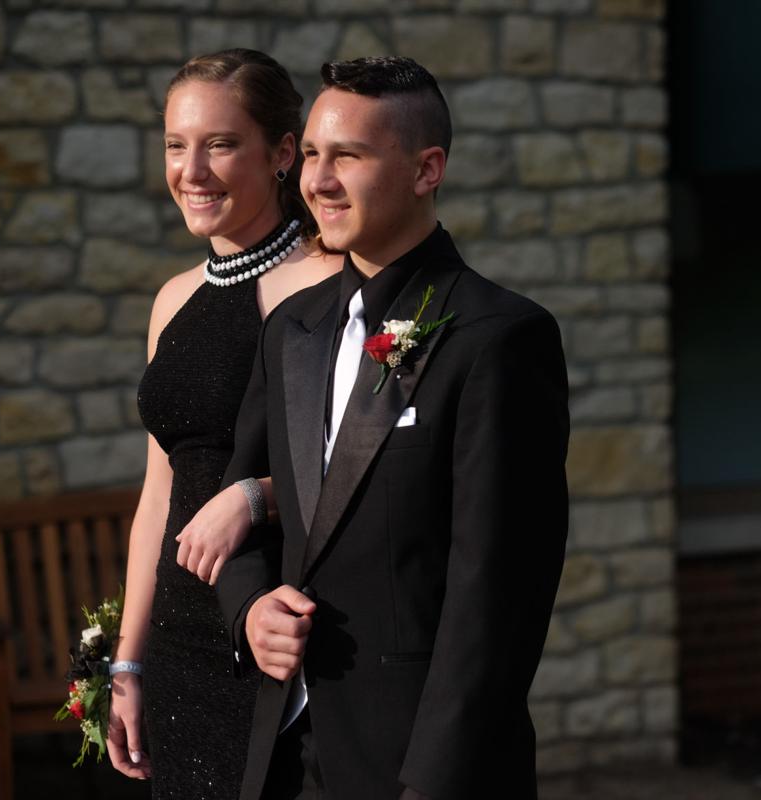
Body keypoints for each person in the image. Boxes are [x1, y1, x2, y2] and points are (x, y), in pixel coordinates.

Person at [203, 56, 570, 799]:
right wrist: (248, 607)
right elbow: (249, 501)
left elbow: (496, 602)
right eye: (310, 154)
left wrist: (431, 787)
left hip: (421, 766)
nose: (318, 180)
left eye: (350, 156)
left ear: (427, 169)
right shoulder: (291, 332)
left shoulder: (498, 339)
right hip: (284, 758)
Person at [104, 48, 343, 798]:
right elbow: (157, 498)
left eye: (219, 144)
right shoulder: (172, 300)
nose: (192, 171)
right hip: (178, 649)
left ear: (280, 155)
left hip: (278, 637)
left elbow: (360, 466)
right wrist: (127, 663)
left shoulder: (330, 279)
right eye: (177, 144)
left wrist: (255, 496)